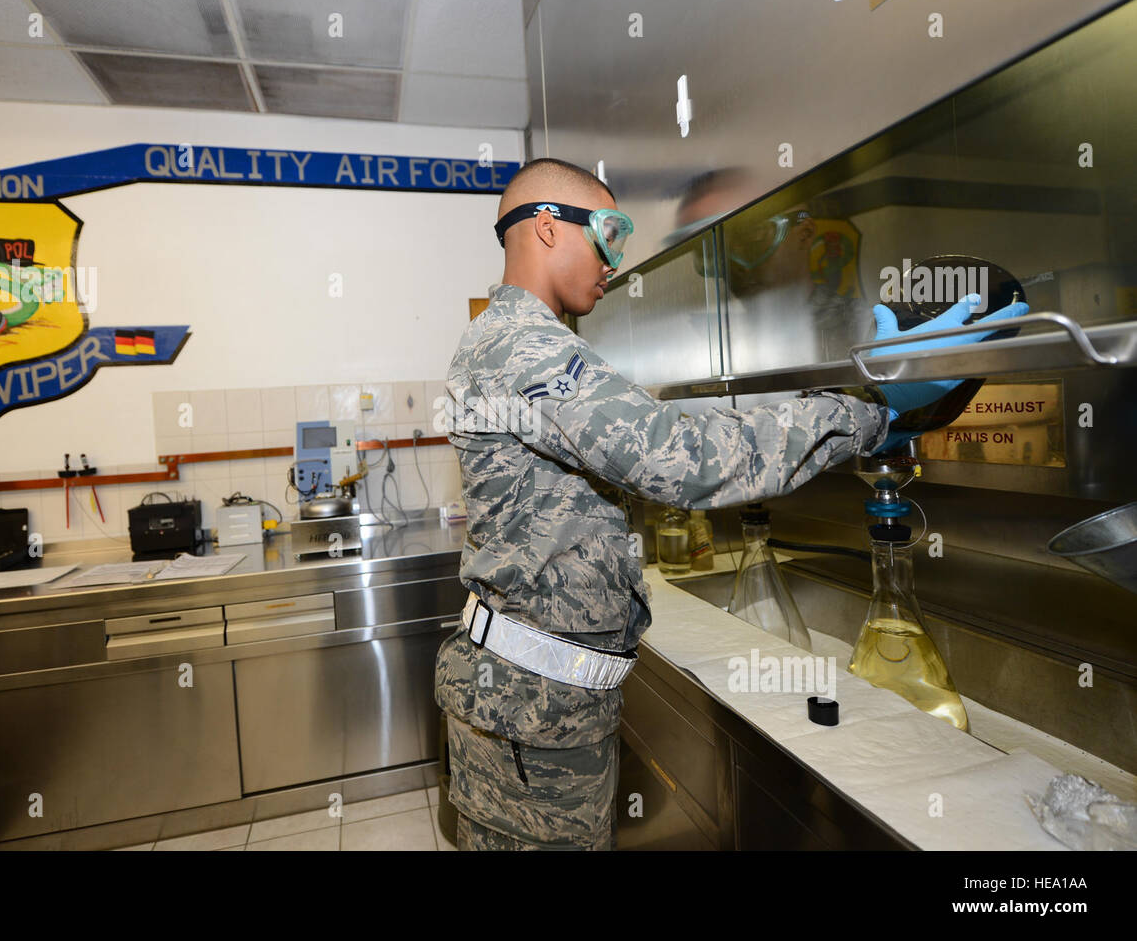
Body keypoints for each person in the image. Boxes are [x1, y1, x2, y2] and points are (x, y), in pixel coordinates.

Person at [433, 157, 1025, 851]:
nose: (614, 262)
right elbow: (678, 457)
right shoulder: (523, 347)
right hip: (528, 724)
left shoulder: (524, 345)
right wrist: (868, 408)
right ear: (545, 228)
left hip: (541, 714)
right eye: (609, 233)